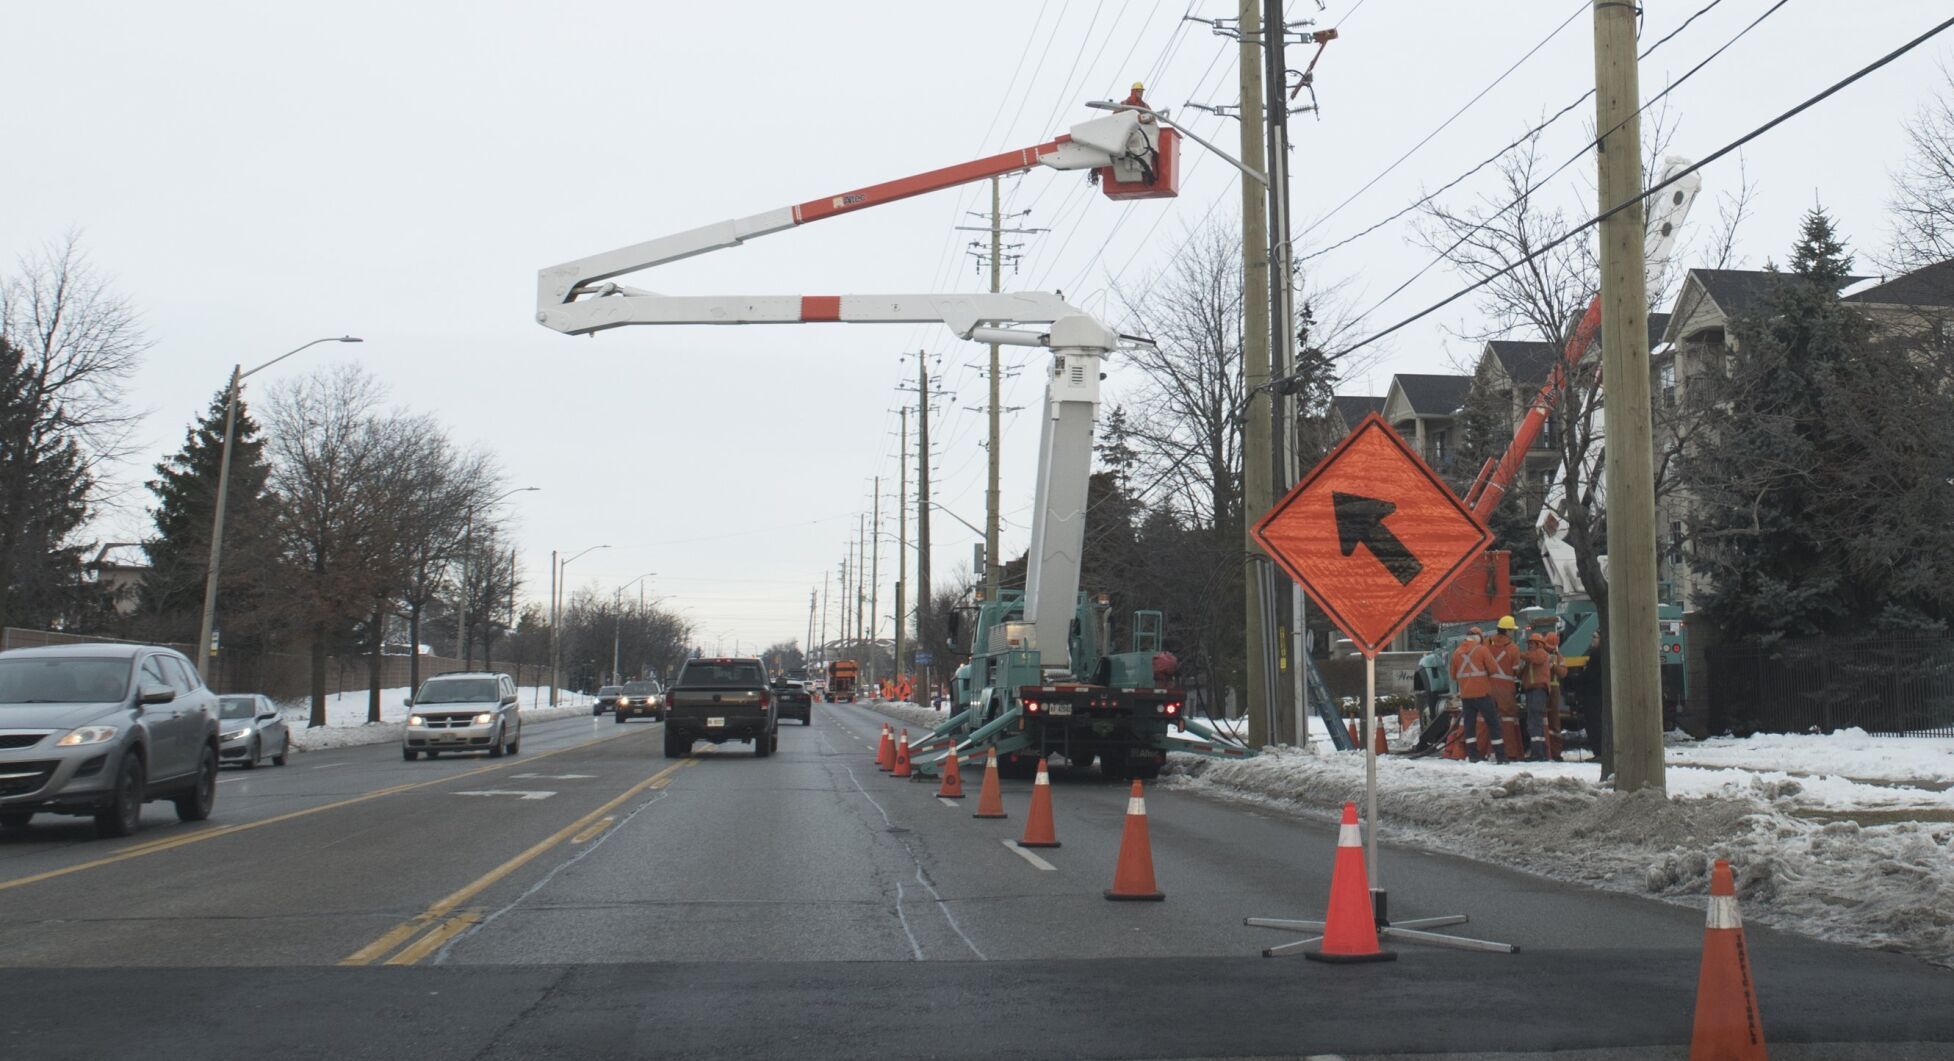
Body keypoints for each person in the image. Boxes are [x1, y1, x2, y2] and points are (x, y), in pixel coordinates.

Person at [1449, 627, 1506, 764]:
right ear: (1479, 637)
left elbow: (1453, 675)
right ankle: (1501, 757)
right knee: (1493, 724)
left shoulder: (1457, 653)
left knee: (1469, 726)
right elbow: (1493, 669)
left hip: (1467, 696)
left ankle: (1473, 756)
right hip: (1482, 694)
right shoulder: (1482, 650)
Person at [1487, 616, 1524, 761]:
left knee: (1491, 720)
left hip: (1489, 688)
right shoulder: (1513, 648)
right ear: (1507, 631)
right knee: (1507, 720)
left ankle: (1491, 752)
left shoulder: (1488, 643)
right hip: (1505, 689)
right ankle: (1509, 753)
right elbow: (1516, 670)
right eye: (1512, 630)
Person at [1519, 632, 1556, 761]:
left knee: (1535, 720)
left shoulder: (1540, 653)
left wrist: (1517, 653)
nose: (1529, 646)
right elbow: (1523, 674)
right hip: (1532, 691)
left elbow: (1534, 658)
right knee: (1533, 721)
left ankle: (1538, 753)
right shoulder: (1531, 658)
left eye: (1531, 643)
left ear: (1539, 644)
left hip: (1538, 690)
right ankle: (1538, 752)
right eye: (1529, 643)